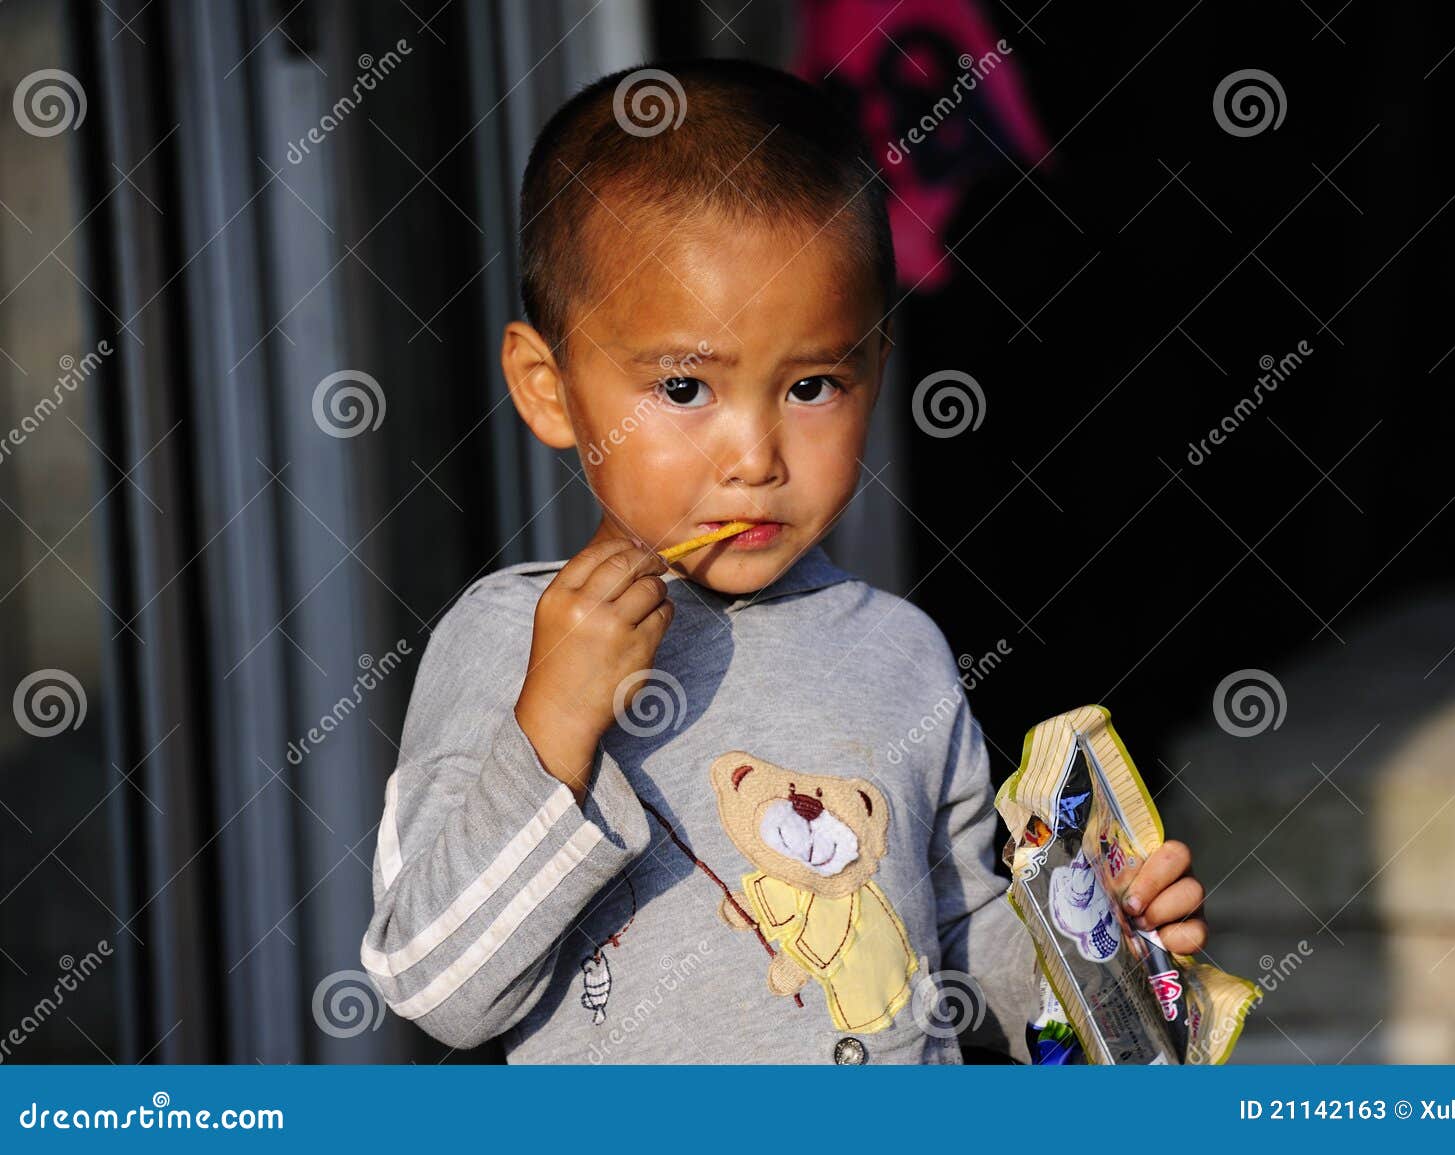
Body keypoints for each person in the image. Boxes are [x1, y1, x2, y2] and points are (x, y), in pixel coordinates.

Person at [359, 58, 1208, 1064]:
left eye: (812, 386)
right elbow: (436, 987)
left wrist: (1105, 949)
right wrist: (552, 730)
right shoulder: (513, 644)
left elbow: (965, 955)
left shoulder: (899, 650)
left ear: (876, 369)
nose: (756, 459)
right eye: (685, 390)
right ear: (549, 389)